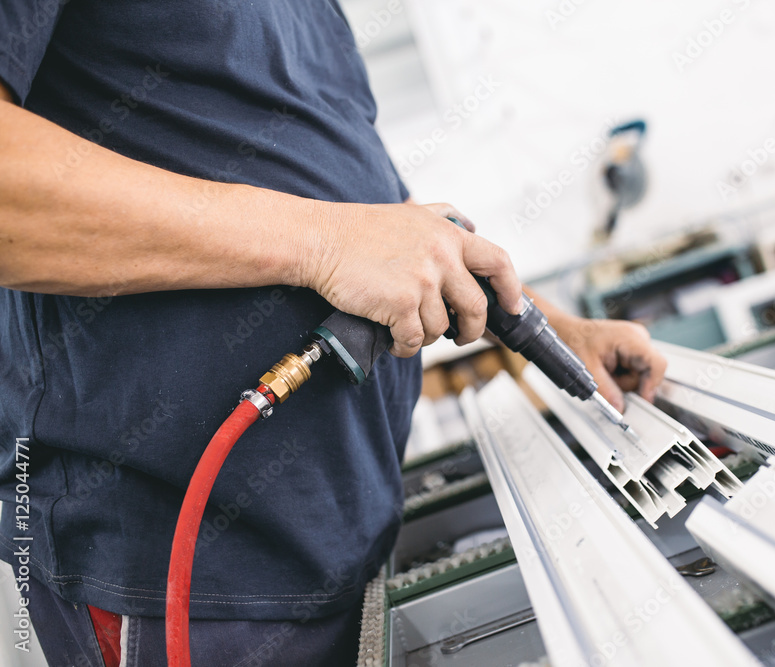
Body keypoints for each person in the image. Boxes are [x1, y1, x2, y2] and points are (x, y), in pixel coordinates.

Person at [0, 1, 667, 665]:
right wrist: (322, 244)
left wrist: (547, 328)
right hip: (187, 580)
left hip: (340, 545)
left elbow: (380, 223)